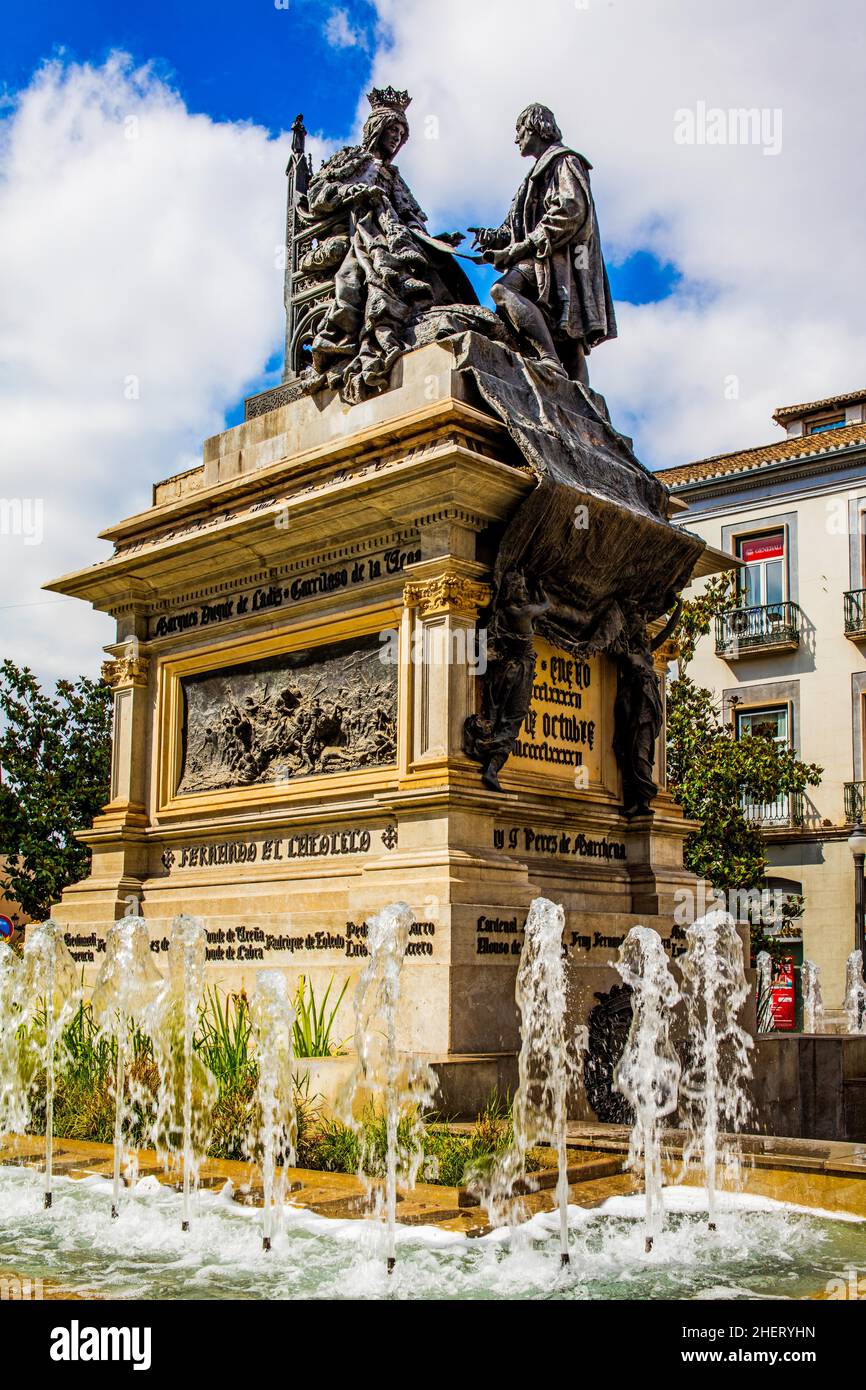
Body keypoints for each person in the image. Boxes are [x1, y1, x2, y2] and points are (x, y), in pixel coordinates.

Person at [307, 87, 473, 402]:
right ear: (377, 129)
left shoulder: (394, 176)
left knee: (436, 259)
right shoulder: (353, 159)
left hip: (393, 234)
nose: (396, 138)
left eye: (401, 133)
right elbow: (318, 196)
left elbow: (410, 217)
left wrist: (435, 239)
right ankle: (384, 329)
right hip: (357, 231)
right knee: (382, 260)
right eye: (392, 130)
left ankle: (425, 317)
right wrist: (355, 194)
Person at [471, 103, 616, 383]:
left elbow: (571, 210)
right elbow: (516, 225)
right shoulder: (536, 174)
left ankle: (548, 359)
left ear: (537, 127)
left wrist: (522, 248)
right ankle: (586, 408)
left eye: (520, 131)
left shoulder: (565, 161)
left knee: (503, 290)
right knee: (568, 338)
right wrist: (494, 238)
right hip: (545, 257)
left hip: (558, 259)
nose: (516, 139)